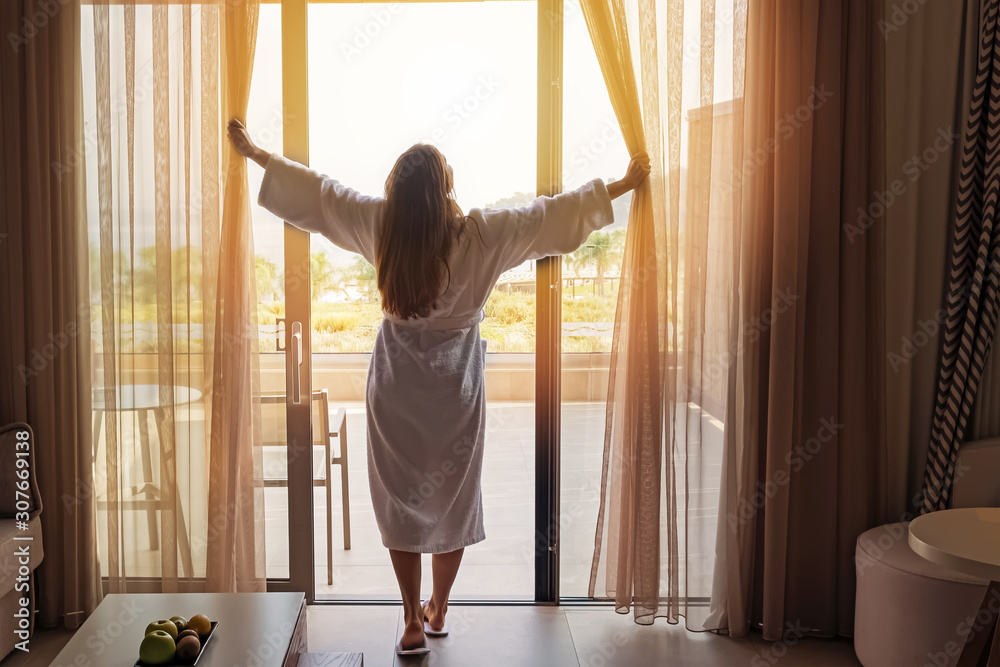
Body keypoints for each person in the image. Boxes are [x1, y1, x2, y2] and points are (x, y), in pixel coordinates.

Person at [227, 118, 650, 655]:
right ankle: (439, 608)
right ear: (446, 190)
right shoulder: (480, 234)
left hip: (395, 391)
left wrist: (256, 152)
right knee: (451, 502)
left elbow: (321, 196)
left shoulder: (382, 227)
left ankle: (409, 621)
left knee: (402, 505)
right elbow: (551, 217)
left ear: (396, 195)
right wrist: (621, 183)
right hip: (456, 391)